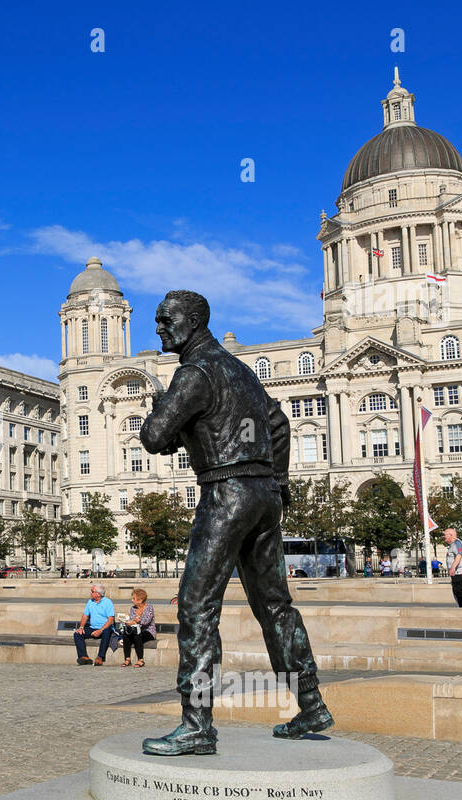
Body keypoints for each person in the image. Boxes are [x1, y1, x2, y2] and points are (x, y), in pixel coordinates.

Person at [138, 290, 331, 755]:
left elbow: (153, 436)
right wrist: (279, 481)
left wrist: (165, 409)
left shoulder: (195, 373)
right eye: (158, 320)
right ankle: (310, 702)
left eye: (167, 320)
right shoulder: (241, 371)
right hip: (264, 494)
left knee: (196, 607)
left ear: (194, 322)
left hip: (225, 493)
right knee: (276, 606)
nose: (159, 327)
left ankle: (197, 722)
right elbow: (279, 424)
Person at [72, 583, 115, 665]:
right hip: (93, 628)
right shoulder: (90, 602)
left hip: (105, 627)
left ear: (98, 594)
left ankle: (100, 657)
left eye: (92, 591)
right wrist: (81, 627)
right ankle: (84, 657)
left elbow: (110, 620)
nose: (90, 593)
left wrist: (100, 630)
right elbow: (85, 616)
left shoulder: (107, 602)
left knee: (106, 632)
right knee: (77, 634)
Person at [121, 588, 155, 667]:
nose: (132, 600)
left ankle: (140, 660)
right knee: (126, 635)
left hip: (148, 631)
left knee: (137, 635)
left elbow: (146, 621)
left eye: (134, 598)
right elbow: (132, 621)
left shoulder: (149, 607)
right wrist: (128, 622)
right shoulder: (133, 609)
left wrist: (136, 621)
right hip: (135, 629)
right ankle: (127, 659)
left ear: (140, 600)